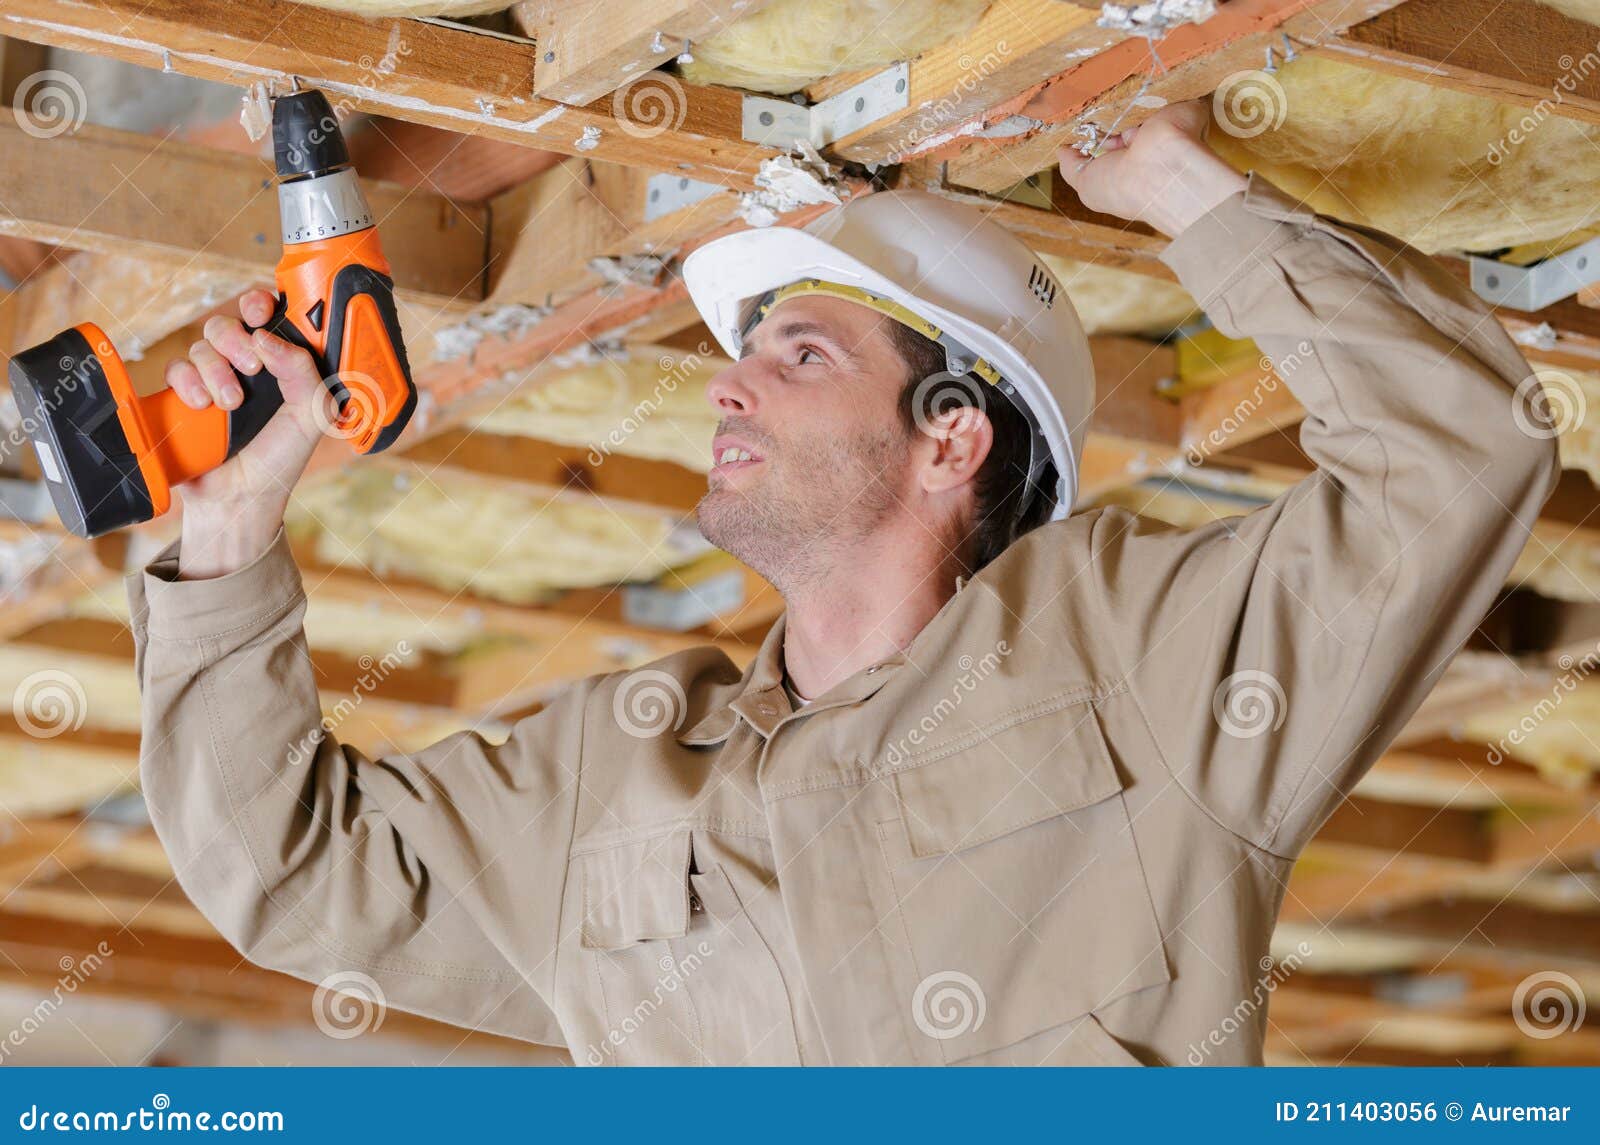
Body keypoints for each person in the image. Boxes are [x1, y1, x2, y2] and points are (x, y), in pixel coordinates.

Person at [131, 101, 1557, 1065]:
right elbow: (297, 873)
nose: (729, 384)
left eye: (798, 352)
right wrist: (234, 519)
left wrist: (1186, 190)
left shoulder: (1137, 664)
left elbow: (1460, 453)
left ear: (952, 434)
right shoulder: (603, 780)